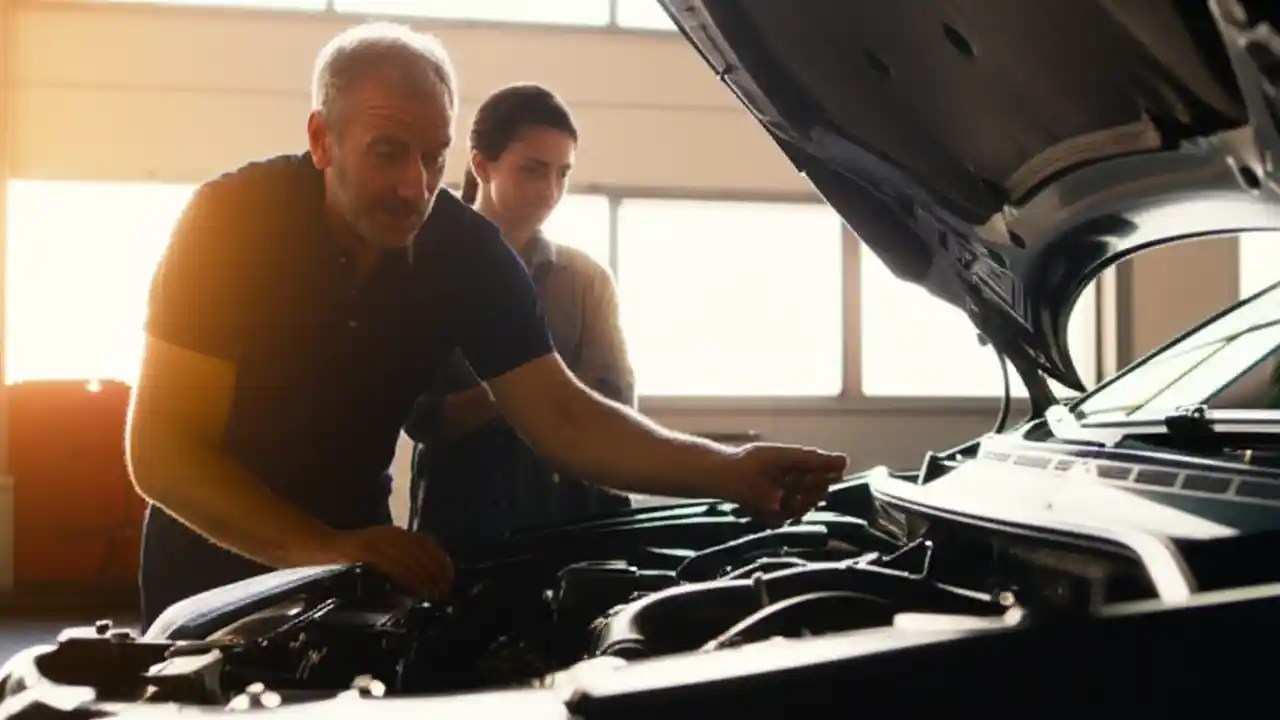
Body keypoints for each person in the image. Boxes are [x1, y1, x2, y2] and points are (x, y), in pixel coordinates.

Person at [126, 21, 847, 629]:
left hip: (359, 565)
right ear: (322, 140)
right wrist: (320, 545)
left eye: (434, 156)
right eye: (387, 152)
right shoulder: (230, 223)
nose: (416, 187)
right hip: (210, 565)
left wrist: (728, 471)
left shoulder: (464, 248)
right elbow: (160, 450)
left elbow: (564, 417)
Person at [404, 84, 634, 550]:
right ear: (481, 164)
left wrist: (498, 400)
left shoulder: (585, 280)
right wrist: (541, 390)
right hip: (462, 528)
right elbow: (425, 418)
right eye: (533, 170)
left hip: (572, 524)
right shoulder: (424, 270)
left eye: (562, 173)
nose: (550, 190)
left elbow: (613, 408)